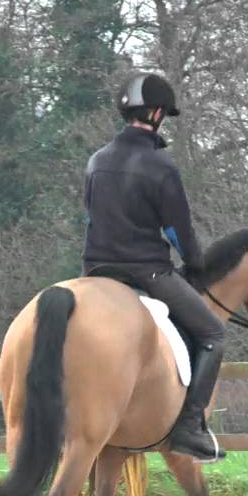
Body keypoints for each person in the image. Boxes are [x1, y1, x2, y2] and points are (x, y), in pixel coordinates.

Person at [80, 72, 227, 464]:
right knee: (214, 333)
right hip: (146, 272)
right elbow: (177, 230)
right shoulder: (161, 165)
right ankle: (190, 427)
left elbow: (90, 216)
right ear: (158, 113)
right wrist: (195, 264)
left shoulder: (96, 161)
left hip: (95, 273)